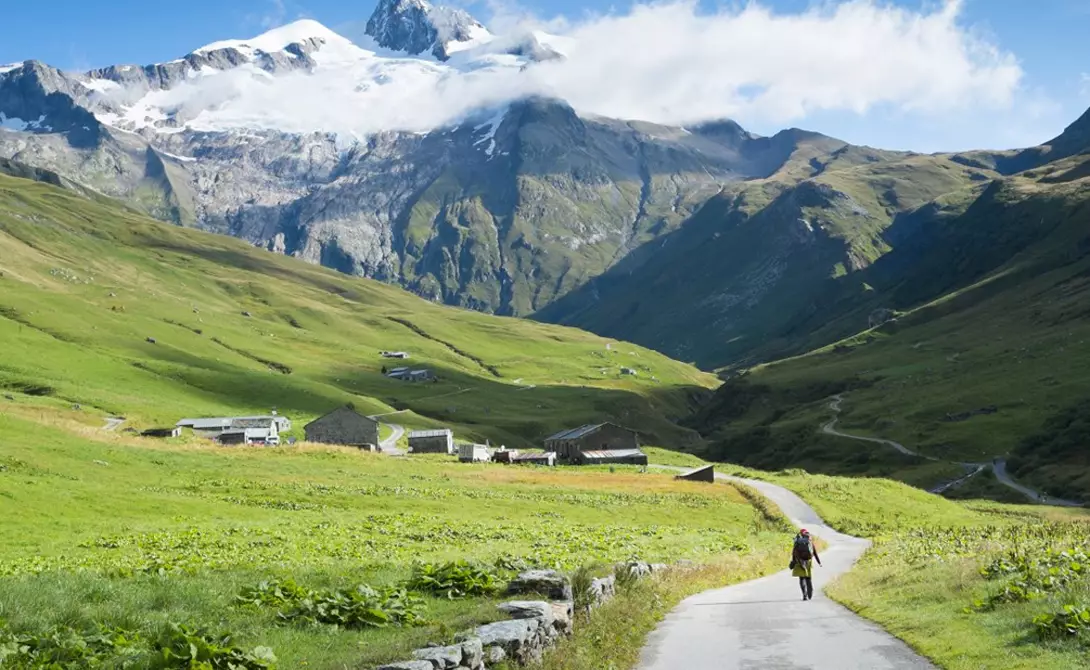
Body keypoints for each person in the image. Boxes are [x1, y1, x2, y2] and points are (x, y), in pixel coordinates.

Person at [790, 528, 821, 600]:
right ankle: (810, 594)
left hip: (799, 562)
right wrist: (819, 562)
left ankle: (804, 595)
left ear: (801, 534)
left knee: (801, 579)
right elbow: (815, 553)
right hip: (808, 562)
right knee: (808, 578)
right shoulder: (809, 542)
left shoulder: (797, 542)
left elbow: (793, 553)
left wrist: (793, 561)